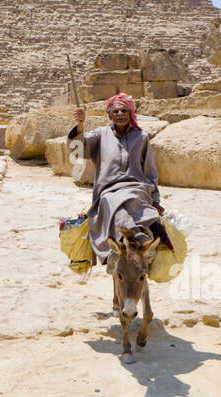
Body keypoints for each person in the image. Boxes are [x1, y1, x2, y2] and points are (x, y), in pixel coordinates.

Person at [69, 92, 168, 274]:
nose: (120, 114)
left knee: (130, 198)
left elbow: (150, 171)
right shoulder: (100, 135)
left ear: (131, 114)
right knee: (110, 201)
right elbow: (78, 152)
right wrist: (81, 124)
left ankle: (134, 240)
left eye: (124, 110)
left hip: (136, 187)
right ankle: (132, 237)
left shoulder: (141, 137)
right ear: (109, 115)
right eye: (116, 111)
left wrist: (156, 200)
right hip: (107, 189)